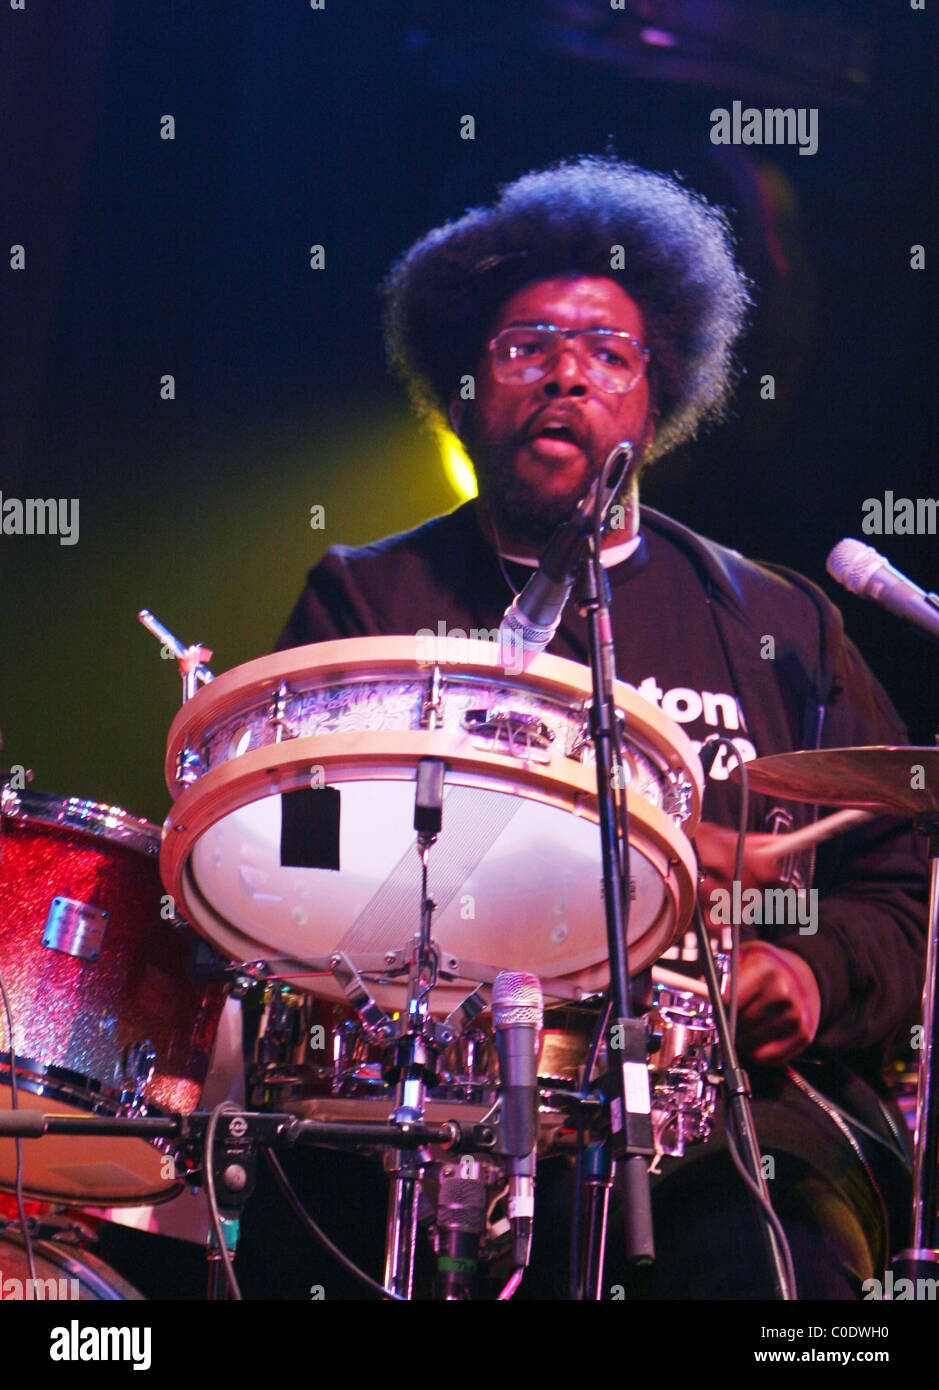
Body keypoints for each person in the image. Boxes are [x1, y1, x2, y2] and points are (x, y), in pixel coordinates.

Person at [272, 156, 927, 1299]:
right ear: (465, 387)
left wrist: (815, 974)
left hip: (734, 1125)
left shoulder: (780, 623)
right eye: (525, 347)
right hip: (427, 1116)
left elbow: (899, 883)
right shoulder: (364, 607)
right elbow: (286, 865)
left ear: (657, 393)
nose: (565, 374)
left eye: (607, 354)